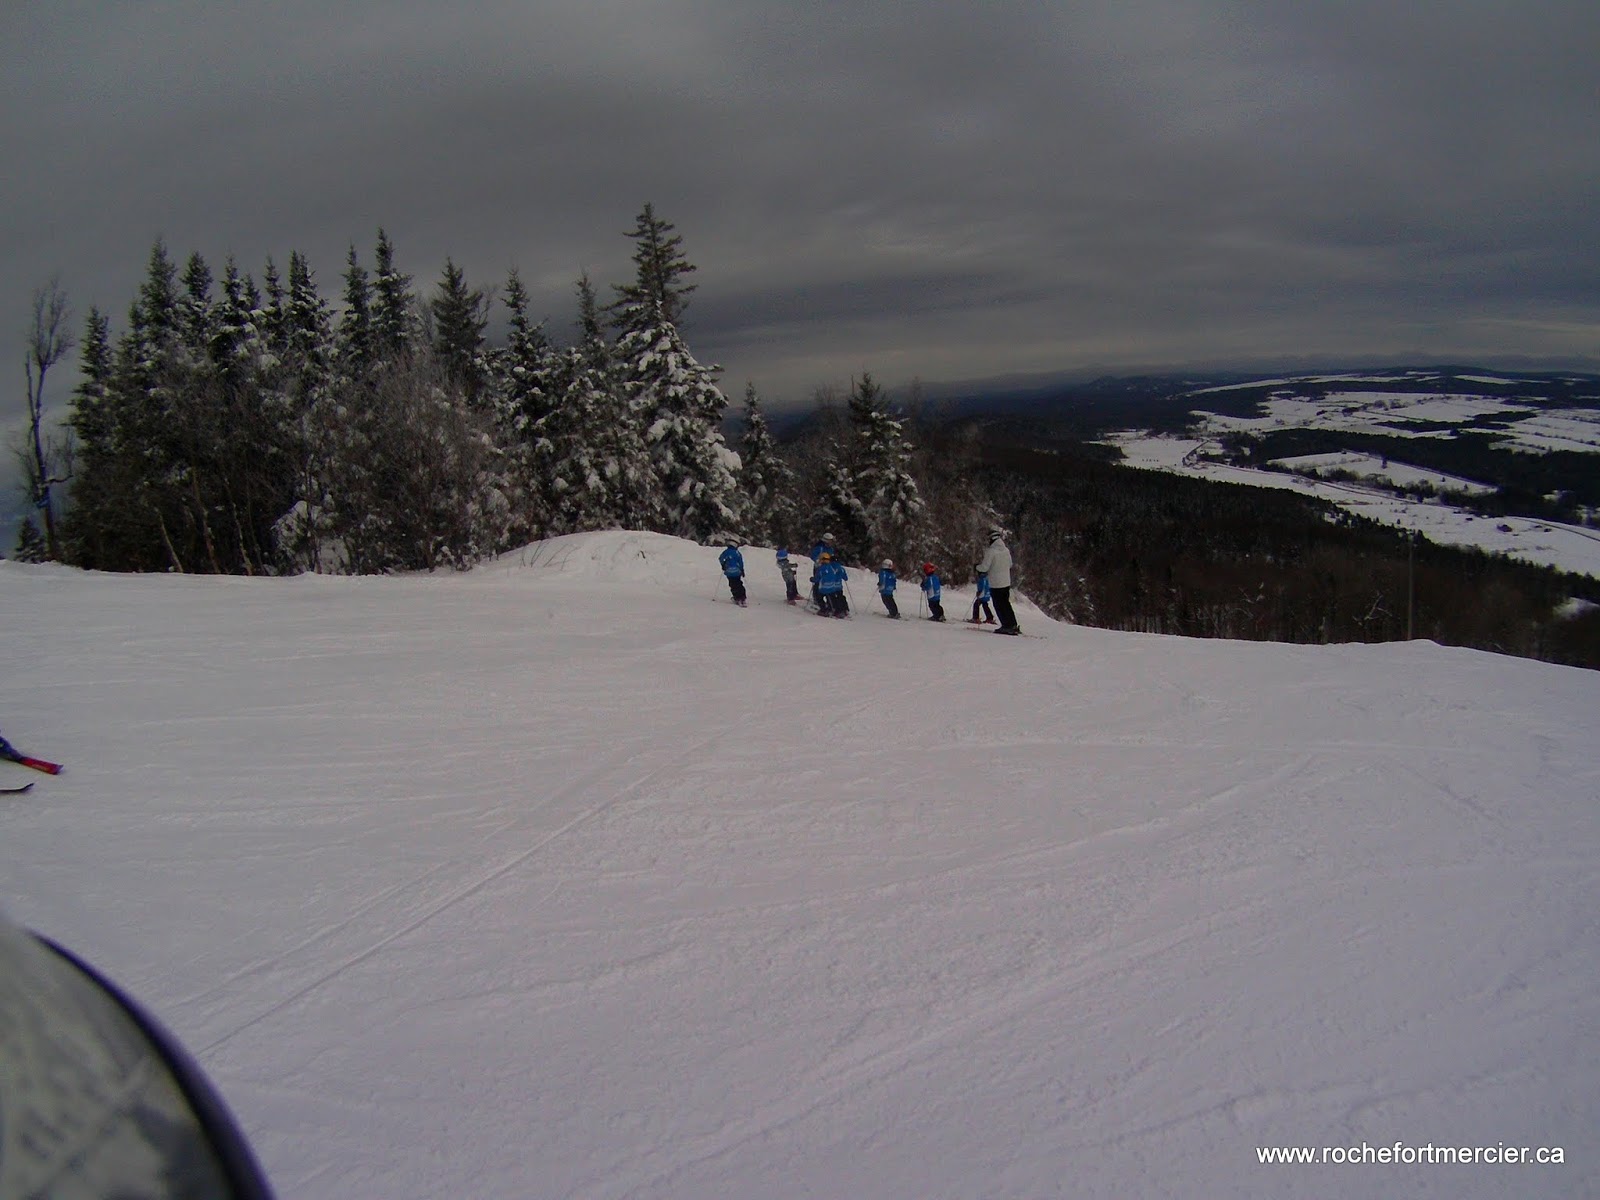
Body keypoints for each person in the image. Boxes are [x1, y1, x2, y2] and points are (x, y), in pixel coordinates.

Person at [977, 526, 1020, 634]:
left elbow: (985, 567)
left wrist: (977, 567)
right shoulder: (1006, 550)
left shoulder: (991, 551)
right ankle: (1013, 624)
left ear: (992, 539)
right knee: (1006, 604)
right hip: (1006, 582)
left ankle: (1006, 626)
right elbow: (1010, 564)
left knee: (999, 605)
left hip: (996, 583)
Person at [808, 532, 839, 609]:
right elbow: (813, 556)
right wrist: (819, 560)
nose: (831, 543)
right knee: (817, 582)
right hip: (819, 567)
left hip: (827, 567)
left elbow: (830, 556)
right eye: (830, 541)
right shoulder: (819, 547)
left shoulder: (830, 548)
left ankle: (826, 599)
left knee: (826, 583)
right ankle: (816, 598)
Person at [814, 551, 850, 617]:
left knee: (824, 597)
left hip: (827, 587)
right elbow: (845, 578)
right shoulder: (840, 568)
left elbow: (818, 577)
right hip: (837, 586)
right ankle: (844, 609)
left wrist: (814, 579)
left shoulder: (827, 567)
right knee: (839, 597)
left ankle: (828, 609)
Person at [718, 539, 747, 606]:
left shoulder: (726, 552)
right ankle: (742, 597)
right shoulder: (737, 553)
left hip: (729, 571)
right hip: (737, 571)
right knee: (739, 583)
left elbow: (720, 558)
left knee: (733, 584)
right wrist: (742, 570)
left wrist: (723, 565)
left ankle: (737, 597)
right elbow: (740, 562)